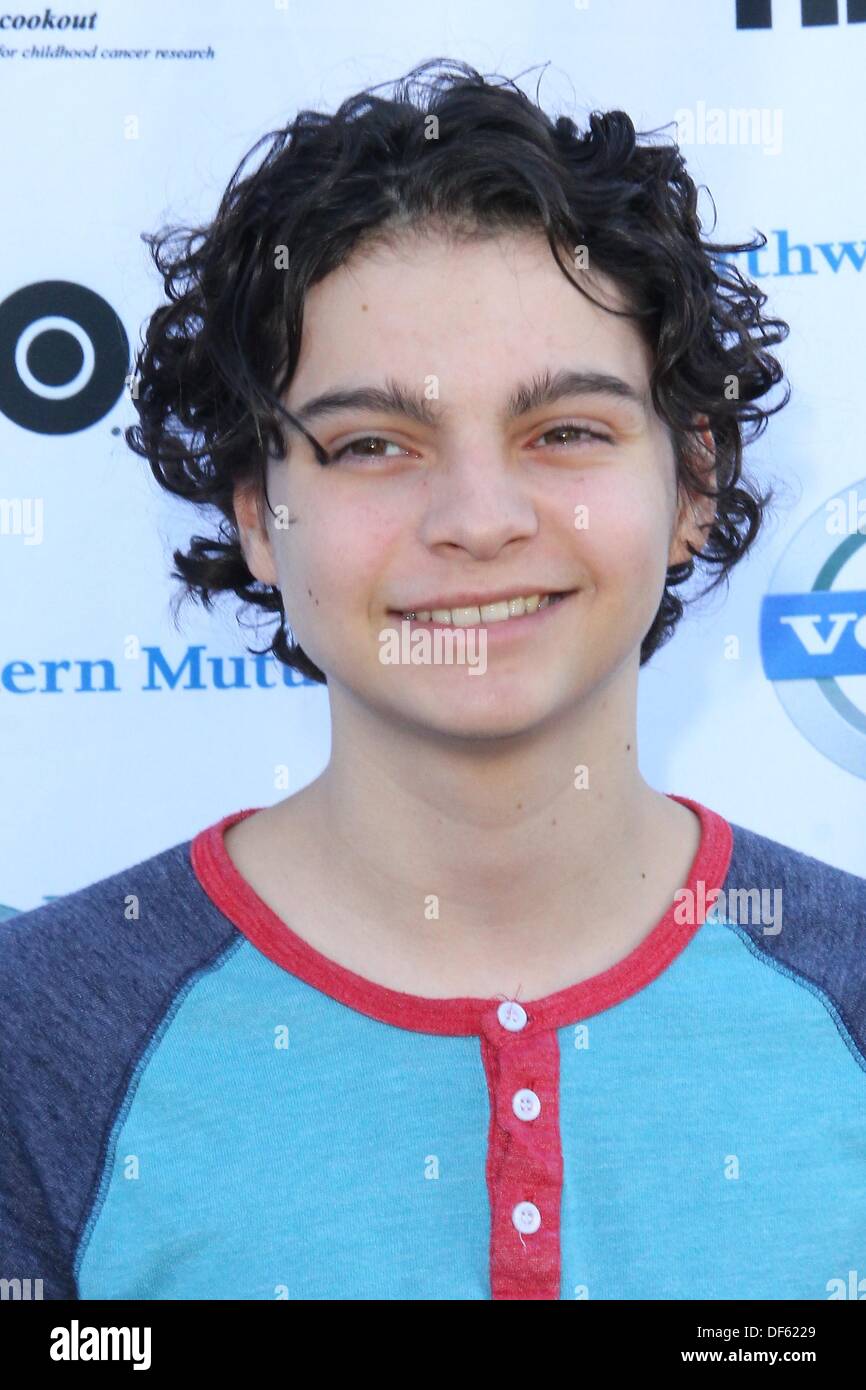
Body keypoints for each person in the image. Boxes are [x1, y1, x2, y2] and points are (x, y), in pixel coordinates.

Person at [3, 58, 865, 1303]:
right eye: (371, 445)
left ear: (690, 483)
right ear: (258, 516)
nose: (475, 517)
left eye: (563, 429)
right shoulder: (38, 1036)